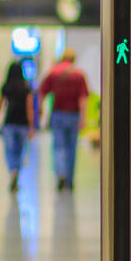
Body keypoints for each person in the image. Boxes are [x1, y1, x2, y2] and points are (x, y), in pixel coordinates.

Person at [38, 50, 89, 191]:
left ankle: (60, 173)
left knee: (58, 146)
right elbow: (83, 99)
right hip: (74, 115)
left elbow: (42, 92)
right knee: (72, 148)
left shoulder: (53, 73)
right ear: (73, 59)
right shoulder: (79, 74)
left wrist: (41, 110)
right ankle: (69, 180)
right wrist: (83, 118)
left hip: (58, 114)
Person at [0, 59, 35, 191]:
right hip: (22, 124)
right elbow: (29, 109)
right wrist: (31, 126)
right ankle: (17, 172)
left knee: (10, 151)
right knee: (20, 151)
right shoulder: (26, 88)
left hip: (9, 123)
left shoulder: (6, 87)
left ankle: (13, 171)